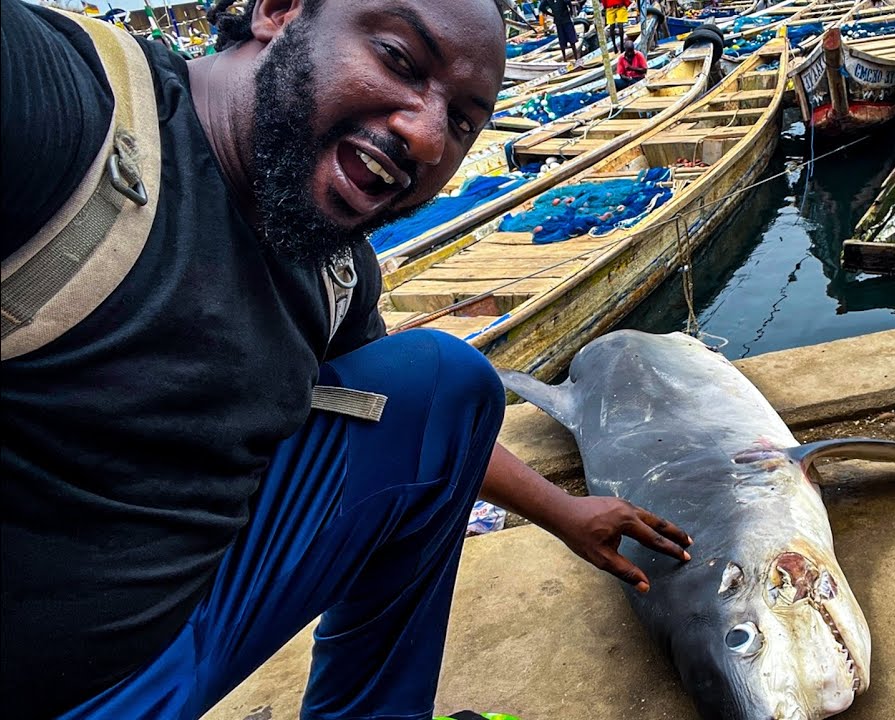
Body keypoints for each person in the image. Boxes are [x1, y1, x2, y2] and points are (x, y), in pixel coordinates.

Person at [0, 0, 694, 718]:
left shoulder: (334, 269)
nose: (426, 139)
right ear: (278, 11)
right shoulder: (65, 106)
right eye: (398, 59)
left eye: (462, 122)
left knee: (441, 381)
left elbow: (424, 434)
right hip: (61, 684)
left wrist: (565, 512)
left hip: (192, 617)